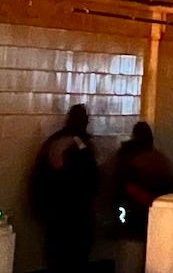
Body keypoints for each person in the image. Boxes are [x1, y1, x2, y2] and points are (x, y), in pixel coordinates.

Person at [30, 104, 100, 273]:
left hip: (55, 213)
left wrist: (40, 210)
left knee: (56, 259)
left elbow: (39, 177)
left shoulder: (53, 142)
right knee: (76, 260)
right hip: (78, 214)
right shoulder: (81, 145)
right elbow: (91, 178)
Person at [108, 121, 173, 247]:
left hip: (131, 209)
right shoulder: (157, 158)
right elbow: (171, 185)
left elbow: (118, 181)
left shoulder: (127, 155)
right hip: (150, 210)